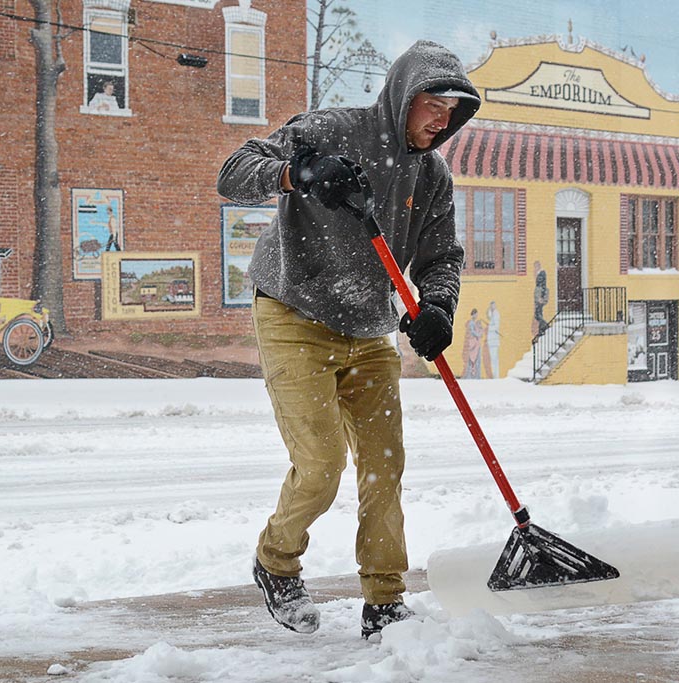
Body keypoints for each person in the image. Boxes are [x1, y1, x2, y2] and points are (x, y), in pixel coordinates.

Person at [217, 40, 480, 639]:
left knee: (384, 469)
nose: (441, 120)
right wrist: (298, 172)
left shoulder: (432, 175)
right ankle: (275, 563)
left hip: (368, 330)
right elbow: (232, 173)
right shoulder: (331, 130)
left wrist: (438, 306)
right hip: (294, 311)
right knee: (320, 466)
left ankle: (384, 601)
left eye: (452, 111)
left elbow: (441, 255)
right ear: (403, 97)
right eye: (432, 104)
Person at [462, 308, 484, 379]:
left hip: (476, 344)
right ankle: (471, 376)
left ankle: (476, 375)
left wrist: (480, 330)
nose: (476, 315)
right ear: (473, 314)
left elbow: (478, 331)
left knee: (476, 360)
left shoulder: (475, 323)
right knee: (472, 360)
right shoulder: (471, 323)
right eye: (475, 314)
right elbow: (472, 332)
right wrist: (478, 334)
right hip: (473, 344)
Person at [485, 300, 501, 378]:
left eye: (493, 305)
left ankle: (496, 375)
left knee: (494, 358)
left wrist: (489, 327)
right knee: (492, 358)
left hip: (494, 340)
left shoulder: (496, 314)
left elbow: (496, 327)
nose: (492, 307)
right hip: (491, 340)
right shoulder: (491, 314)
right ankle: (494, 375)